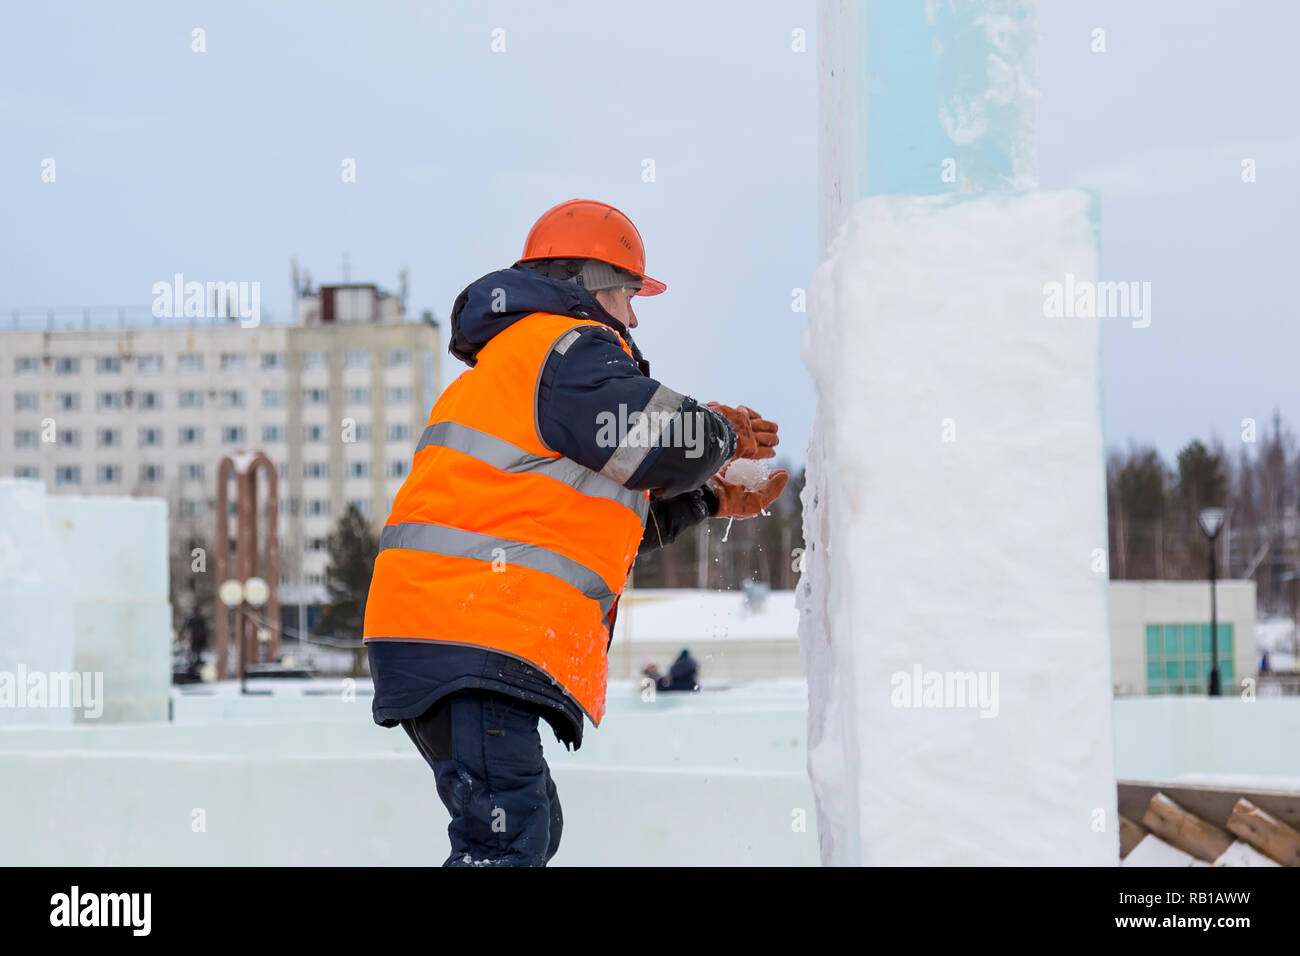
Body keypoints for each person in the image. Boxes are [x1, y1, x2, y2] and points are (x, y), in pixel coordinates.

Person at [363, 199, 788, 866]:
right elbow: (652, 439)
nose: (637, 316)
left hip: (453, 632)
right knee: (507, 837)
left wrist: (706, 497)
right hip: (469, 634)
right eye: (630, 293)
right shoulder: (565, 349)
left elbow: (577, 523)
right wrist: (722, 431)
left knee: (527, 828)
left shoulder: (526, 364)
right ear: (591, 285)